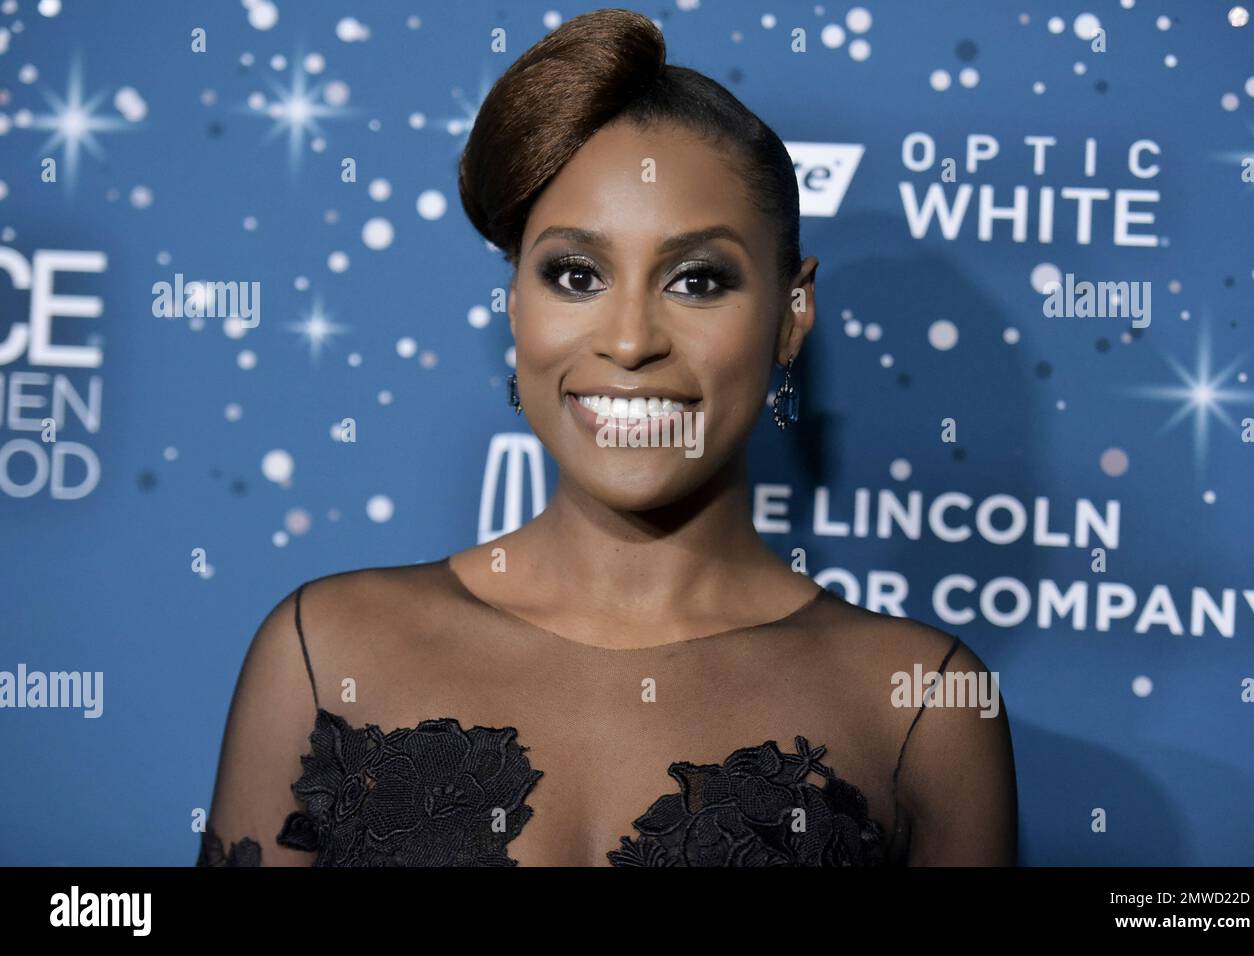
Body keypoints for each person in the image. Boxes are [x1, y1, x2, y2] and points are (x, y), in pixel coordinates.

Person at [197, 7, 1017, 867]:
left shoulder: (925, 706)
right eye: (576, 274)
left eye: (698, 280)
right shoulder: (323, 649)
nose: (629, 341)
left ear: (792, 314)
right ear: (516, 304)